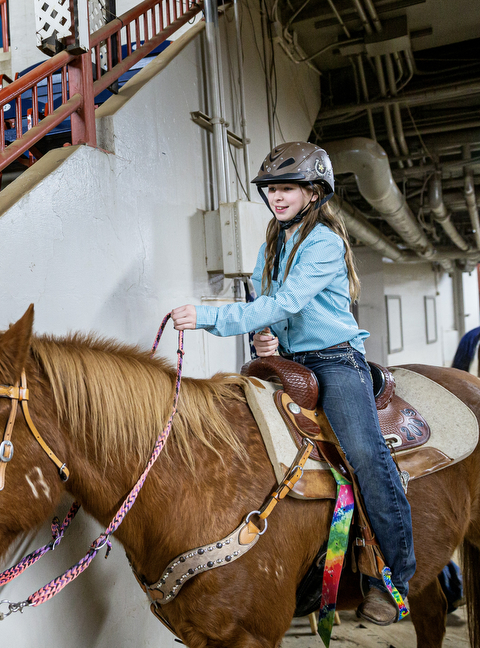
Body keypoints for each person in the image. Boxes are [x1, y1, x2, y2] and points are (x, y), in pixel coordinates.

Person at [170, 142, 415, 625]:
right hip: (290, 361)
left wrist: (208, 316)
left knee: (365, 455)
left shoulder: (324, 242)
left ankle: (393, 578)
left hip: (334, 360)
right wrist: (265, 338)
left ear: (314, 193)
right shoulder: (271, 246)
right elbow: (268, 308)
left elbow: (287, 301)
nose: (276, 198)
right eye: (271, 190)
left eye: (287, 189)